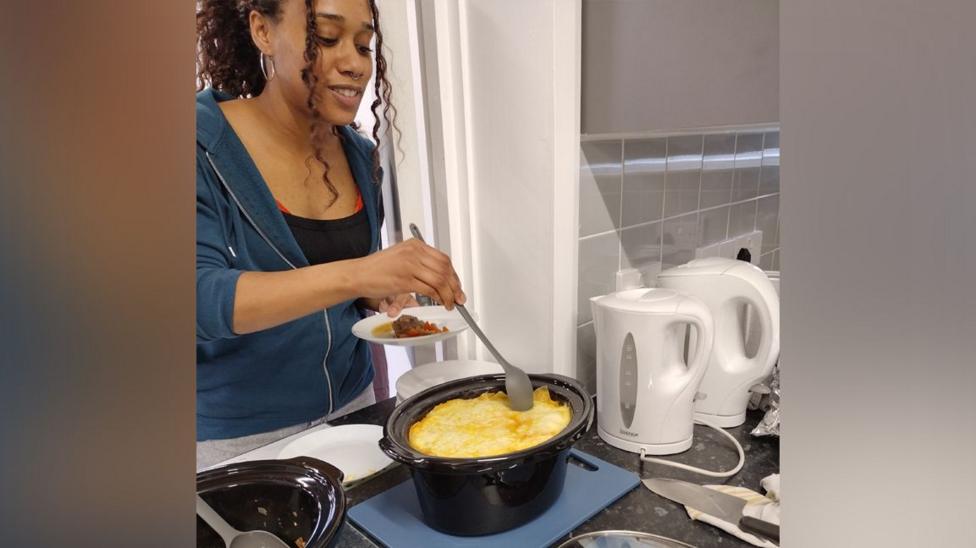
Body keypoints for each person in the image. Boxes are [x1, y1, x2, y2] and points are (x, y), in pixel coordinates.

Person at [195, 0, 464, 469]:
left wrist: (377, 294)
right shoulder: (200, 144)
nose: (355, 63)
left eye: (364, 45)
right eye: (326, 37)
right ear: (262, 30)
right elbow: (199, 299)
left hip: (354, 412)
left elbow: (336, 286)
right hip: (239, 441)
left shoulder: (358, 156)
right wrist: (359, 274)